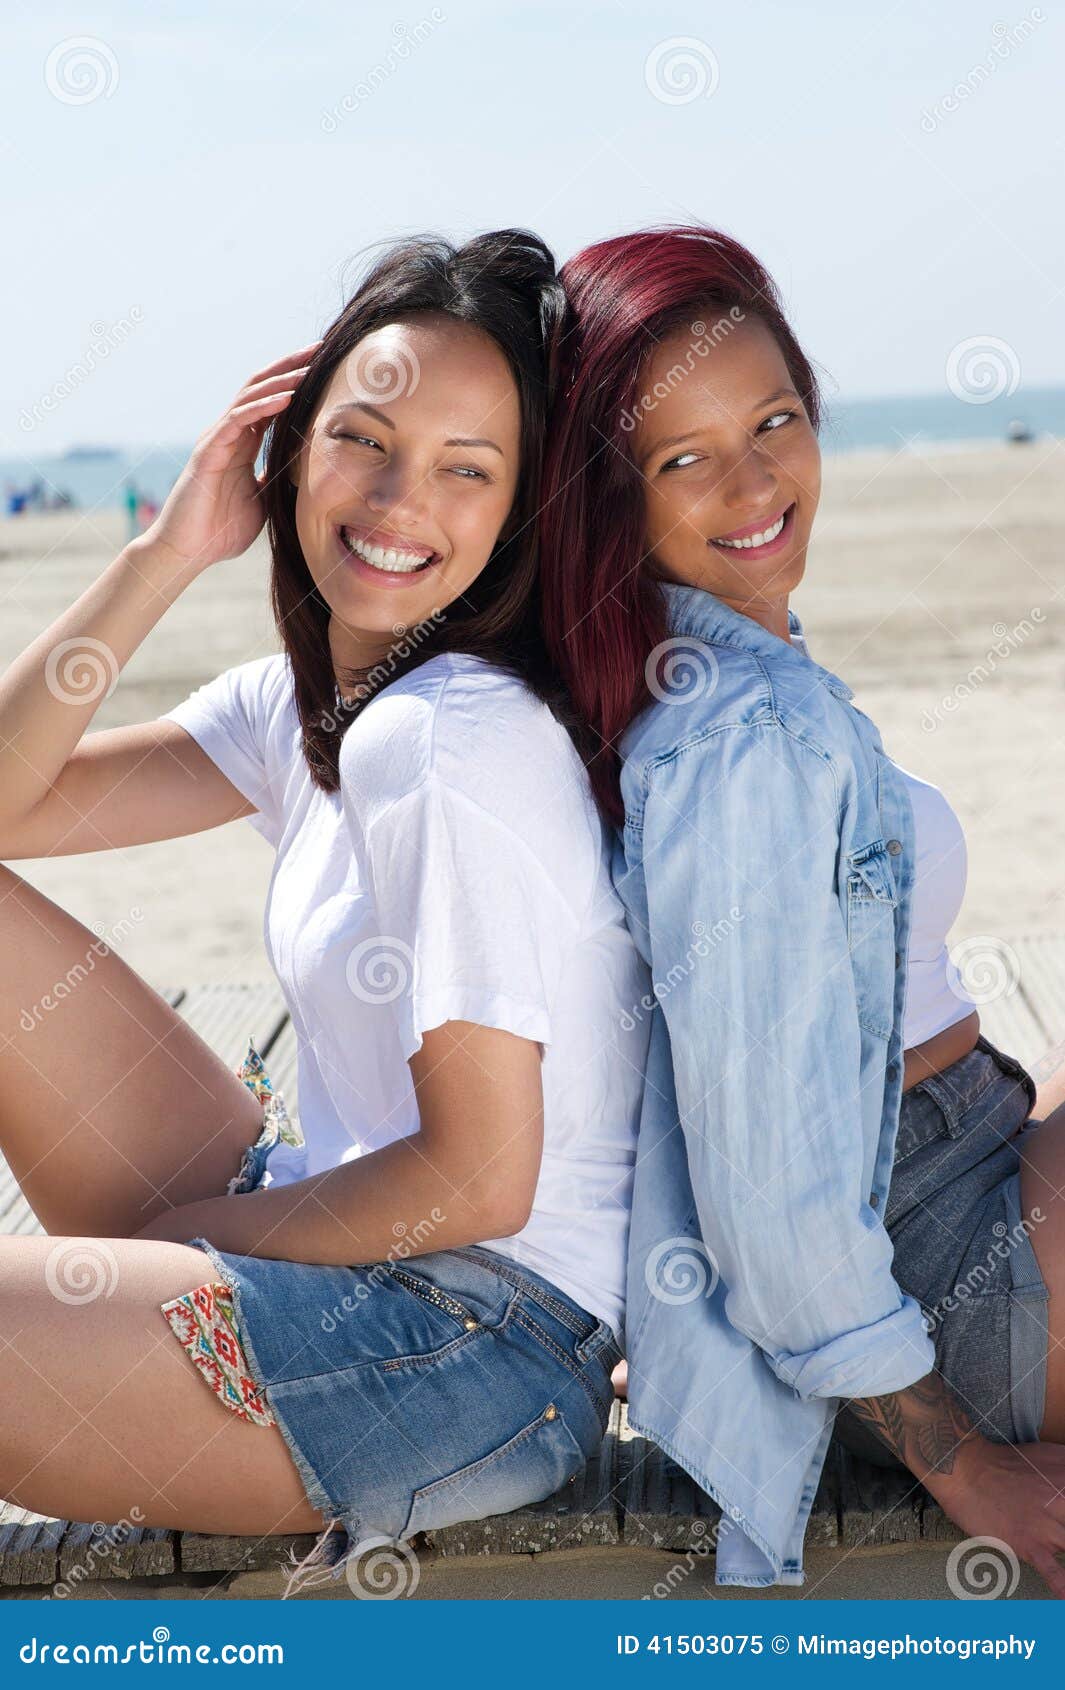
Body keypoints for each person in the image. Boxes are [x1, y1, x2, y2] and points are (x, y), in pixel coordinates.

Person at [0, 230, 649, 1595]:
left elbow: (482, 1182)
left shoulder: (449, 741)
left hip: (478, 1342)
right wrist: (172, 544)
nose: (400, 499)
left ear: (518, 510)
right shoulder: (307, 704)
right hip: (326, 1213)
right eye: (363, 439)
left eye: (466, 469)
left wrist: (175, 1247)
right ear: (288, 448)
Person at [538, 223, 1065, 1596]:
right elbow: (770, 1204)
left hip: (965, 1173)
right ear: (612, 497)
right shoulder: (741, 743)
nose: (755, 479)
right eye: (682, 458)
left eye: (774, 419)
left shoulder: (722, 660)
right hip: (946, 1282)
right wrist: (963, 1464)